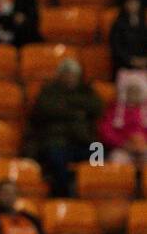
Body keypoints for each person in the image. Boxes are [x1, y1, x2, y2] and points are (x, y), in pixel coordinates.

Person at [27, 58, 102, 196]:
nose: (70, 78)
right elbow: (46, 109)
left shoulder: (86, 90)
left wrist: (67, 106)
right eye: (67, 74)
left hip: (82, 140)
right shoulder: (49, 91)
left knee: (99, 153)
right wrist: (77, 112)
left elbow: (97, 107)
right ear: (60, 75)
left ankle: (91, 193)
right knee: (56, 158)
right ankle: (65, 192)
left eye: (74, 75)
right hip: (56, 140)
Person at [97, 75, 147, 166]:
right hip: (121, 149)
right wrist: (122, 143)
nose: (133, 93)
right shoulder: (114, 108)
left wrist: (142, 143)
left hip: (145, 148)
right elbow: (105, 130)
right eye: (131, 90)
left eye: (137, 91)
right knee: (117, 161)